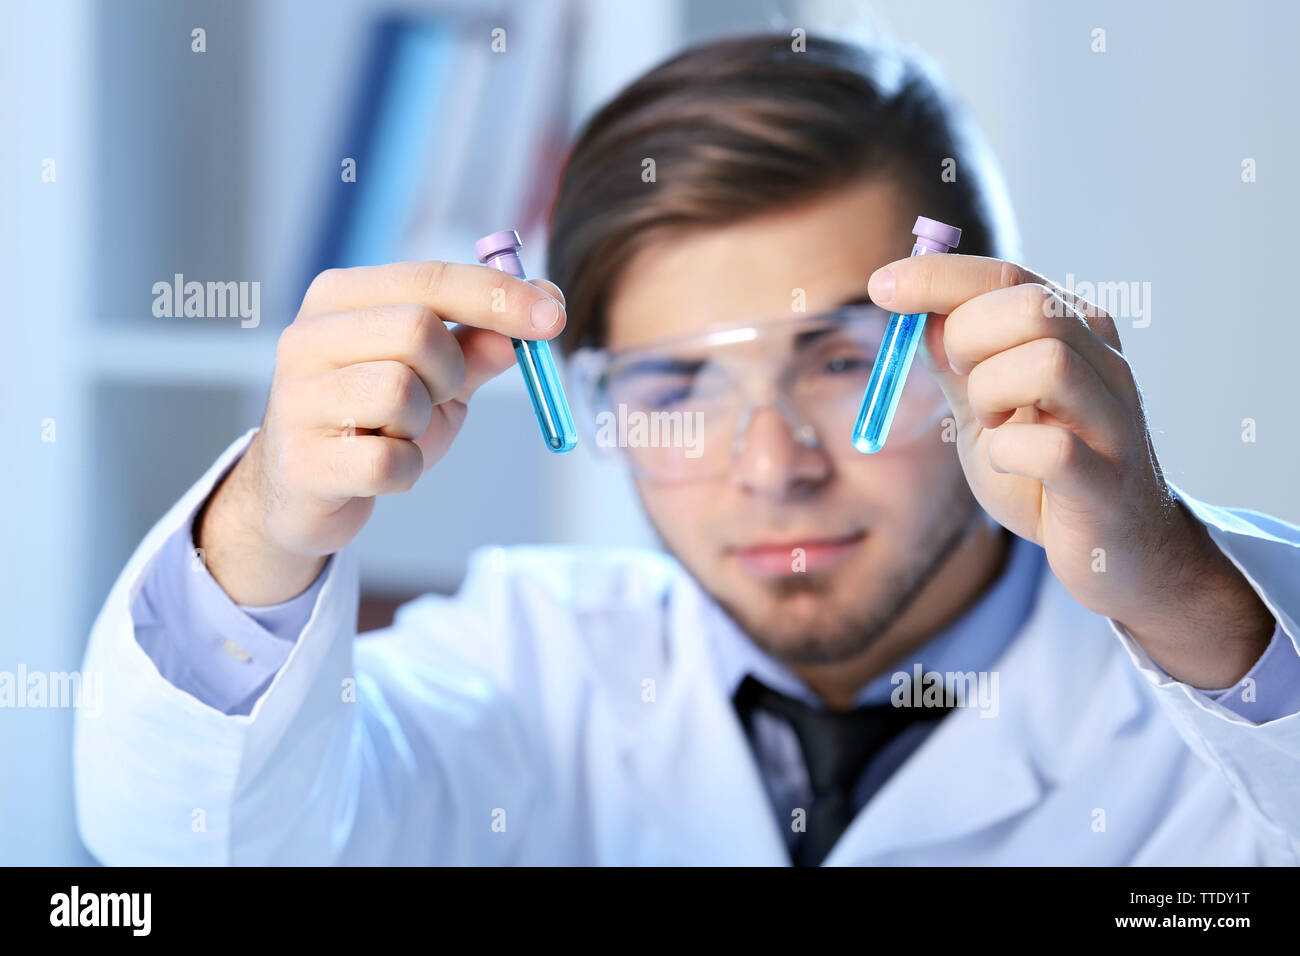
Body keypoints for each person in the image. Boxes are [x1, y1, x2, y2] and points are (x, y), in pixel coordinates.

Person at [76, 34, 1300, 866]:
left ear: (979, 352)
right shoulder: (531, 667)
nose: (771, 464)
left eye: (837, 360)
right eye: (675, 382)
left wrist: (1177, 580)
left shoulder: (1200, 677)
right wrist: (268, 521)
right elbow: (194, 841)